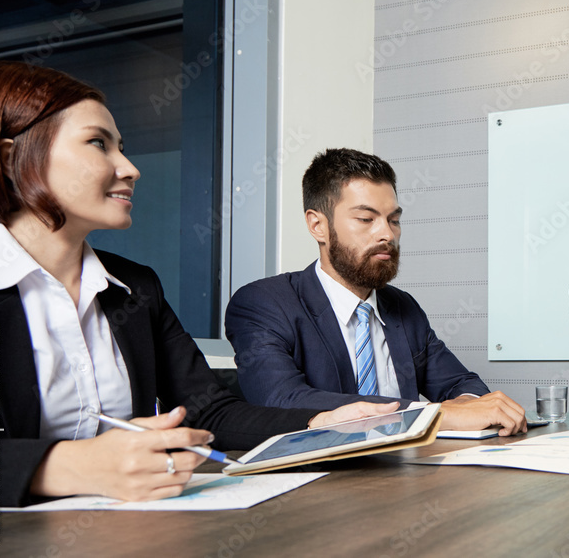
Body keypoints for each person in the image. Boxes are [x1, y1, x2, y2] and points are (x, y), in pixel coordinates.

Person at [0, 62, 397, 508]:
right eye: (98, 143)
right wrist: (72, 465)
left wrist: (322, 422)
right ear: (9, 158)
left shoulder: (136, 286)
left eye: (123, 147)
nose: (130, 168)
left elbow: (210, 411)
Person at [226, 148, 527, 435]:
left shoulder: (402, 307)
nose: (387, 234)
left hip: (406, 475)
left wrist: (467, 406)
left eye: (394, 220)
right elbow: (282, 401)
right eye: (366, 219)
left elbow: (462, 385)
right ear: (318, 225)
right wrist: (436, 415)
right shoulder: (263, 304)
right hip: (319, 480)